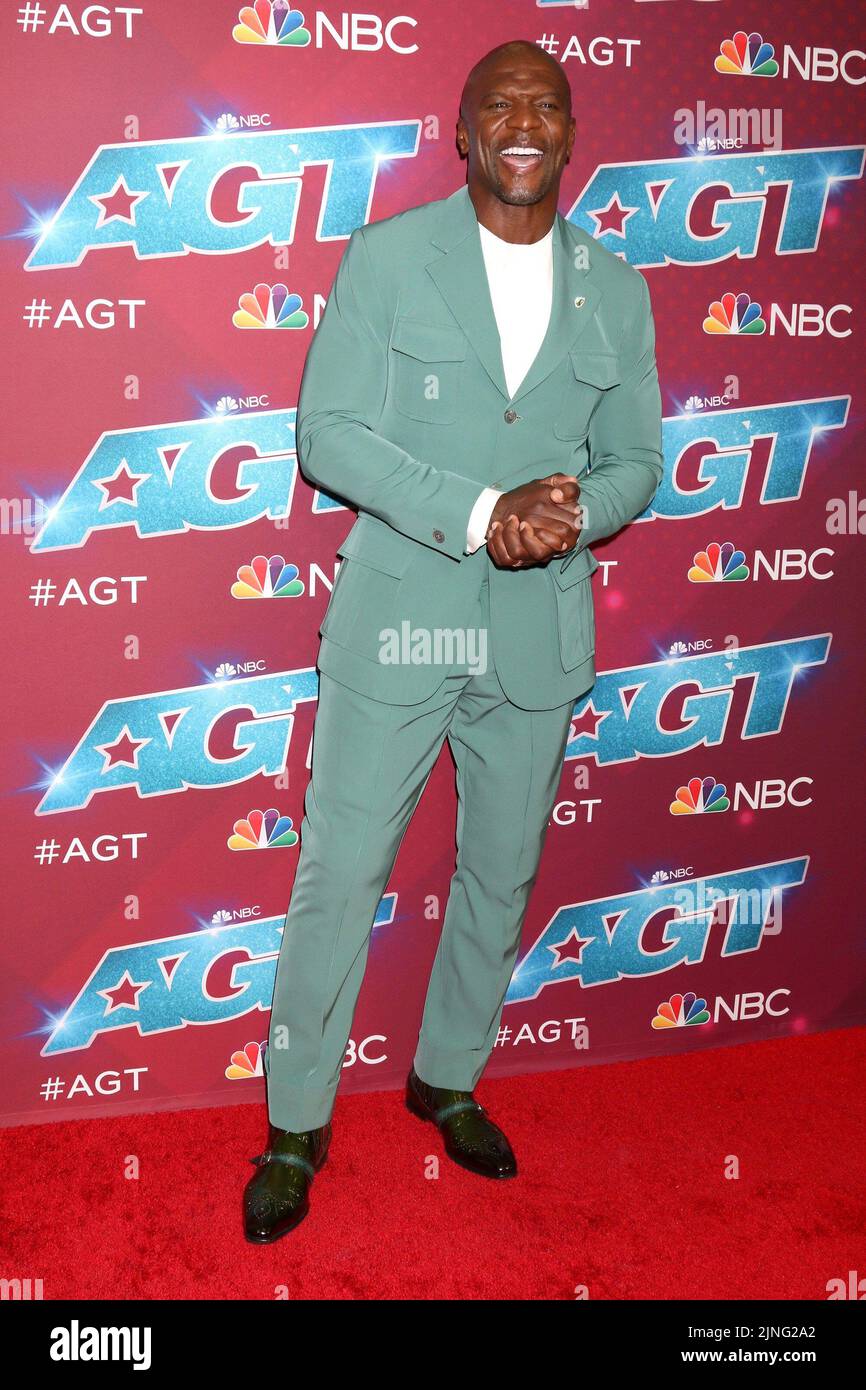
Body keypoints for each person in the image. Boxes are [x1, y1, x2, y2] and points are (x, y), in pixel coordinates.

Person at [243, 38, 663, 1242]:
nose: (523, 121)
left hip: (539, 631)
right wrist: (486, 515)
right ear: (462, 131)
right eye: (500, 105)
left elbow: (638, 456)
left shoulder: (616, 288)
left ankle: (446, 1079)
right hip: (401, 616)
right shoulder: (386, 257)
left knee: (498, 875)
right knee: (340, 876)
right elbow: (326, 435)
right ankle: (293, 1126)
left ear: (571, 135)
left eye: (546, 104)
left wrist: (574, 508)